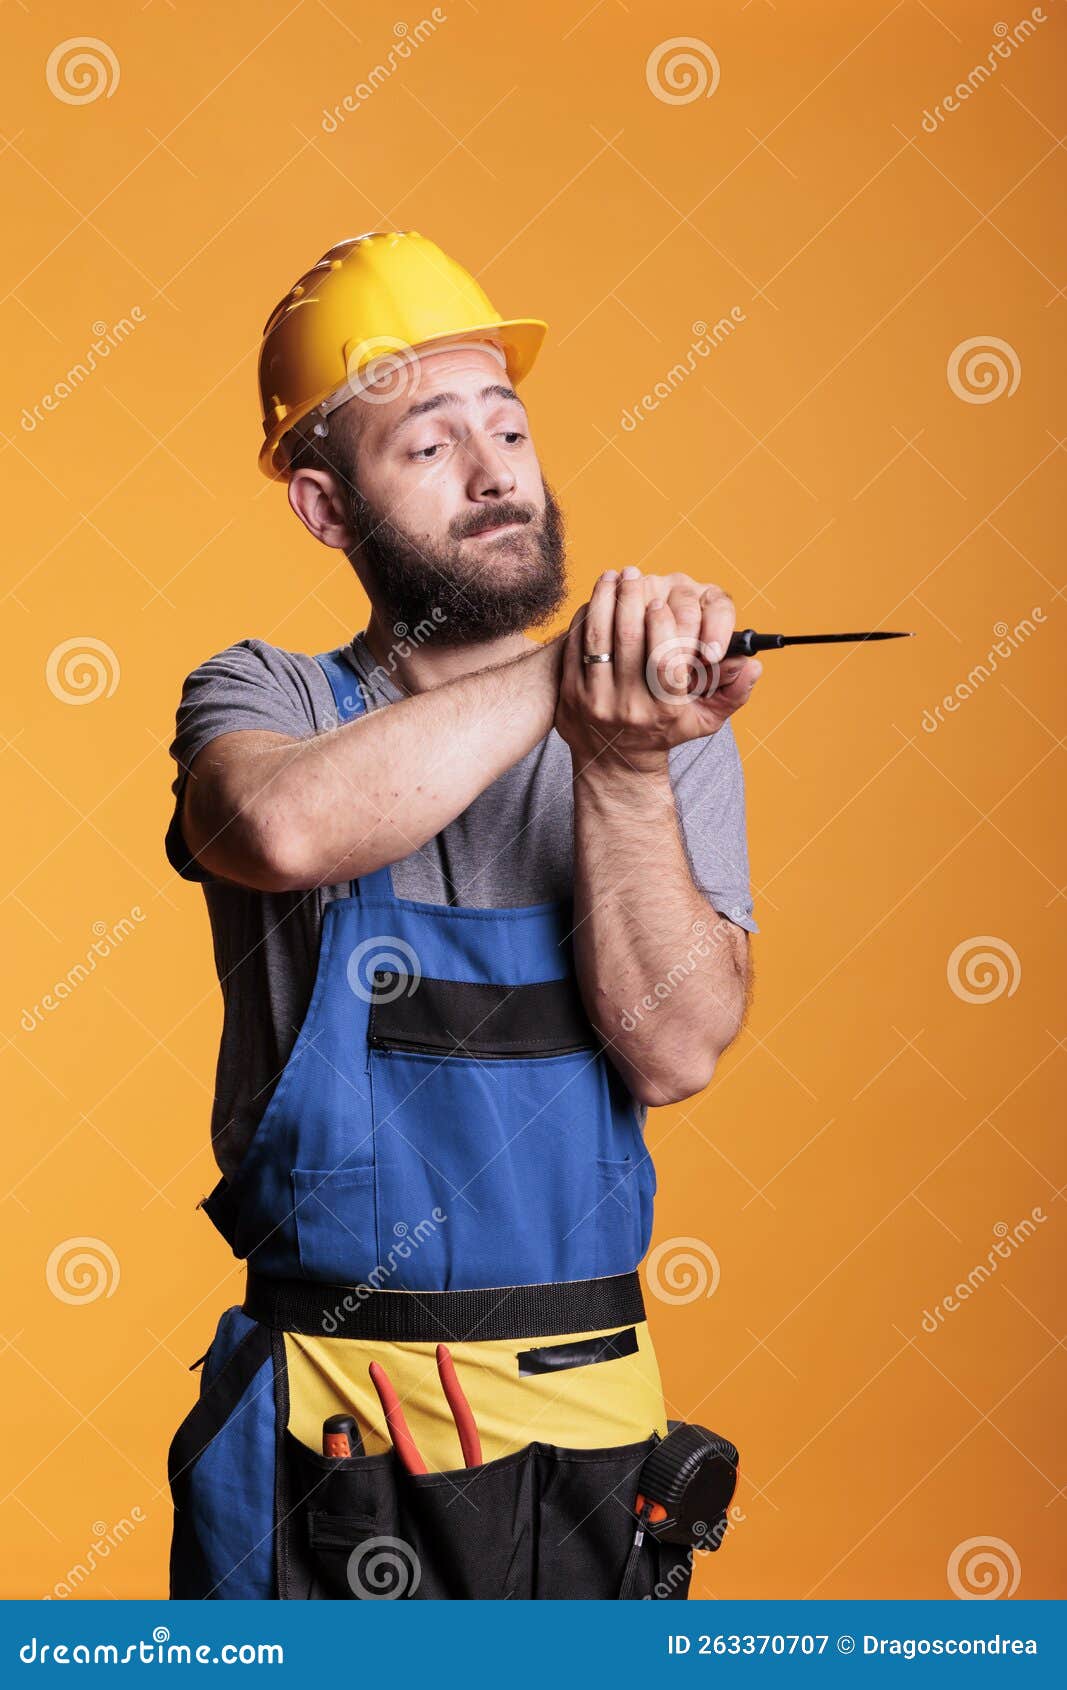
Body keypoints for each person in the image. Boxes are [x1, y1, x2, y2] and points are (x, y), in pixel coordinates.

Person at [164, 231, 761, 1601]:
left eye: (509, 426)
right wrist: (569, 671)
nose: (496, 473)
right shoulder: (270, 699)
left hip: (584, 1432)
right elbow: (280, 828)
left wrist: (617, 759)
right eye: (428, 447)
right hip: (327, 1421)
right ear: (325, 509)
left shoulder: (653, 735)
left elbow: (674, 1050)